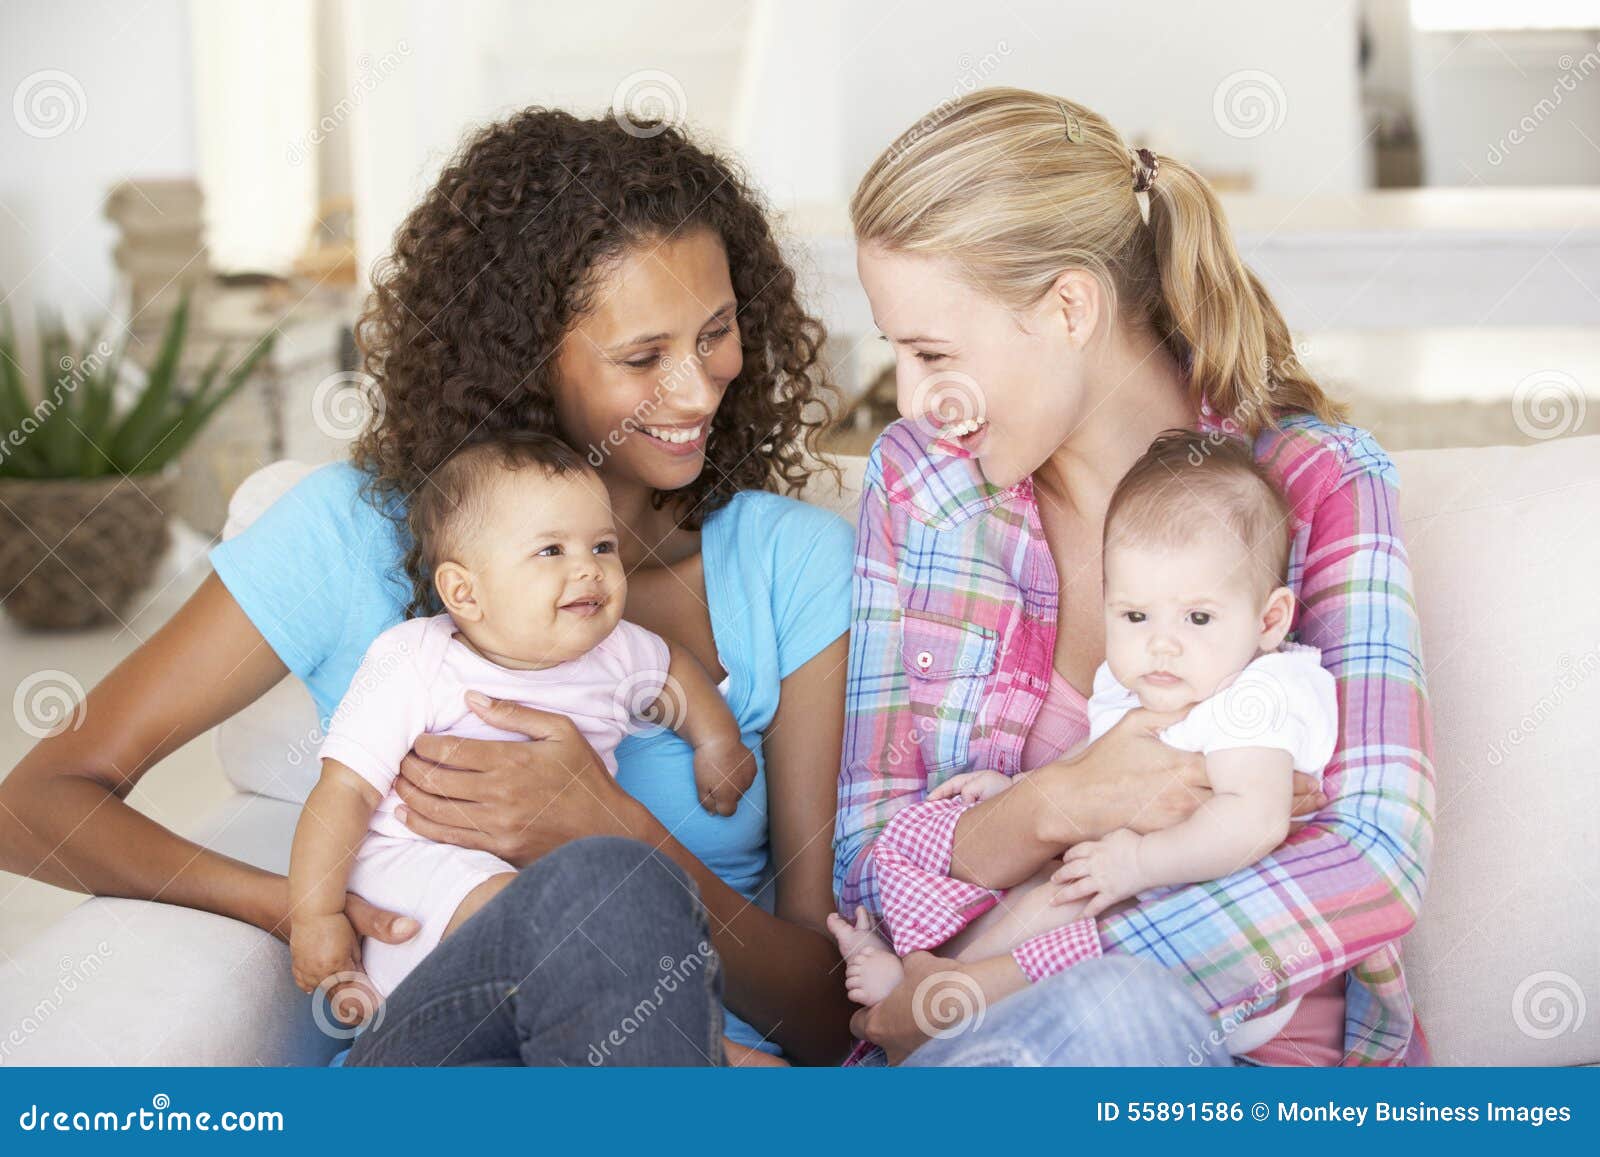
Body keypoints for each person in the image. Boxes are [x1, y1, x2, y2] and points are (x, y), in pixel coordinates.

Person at [832, 87, 1434, 1067]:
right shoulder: (921, 489)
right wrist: (1056, 803)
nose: (910, 399)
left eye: (932, 351)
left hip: (1232, 1068)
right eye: (895, 351)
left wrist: (997, 979)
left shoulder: (1315, 486)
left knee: (1117, 1013)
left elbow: (1374, 860)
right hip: (975, 1071)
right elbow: (866, 868)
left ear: (1069, 304)